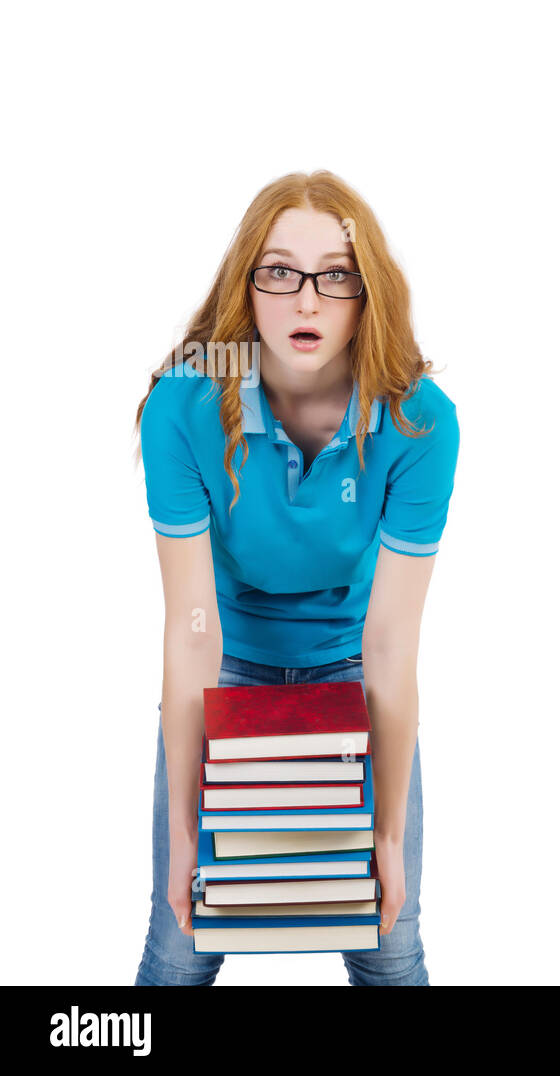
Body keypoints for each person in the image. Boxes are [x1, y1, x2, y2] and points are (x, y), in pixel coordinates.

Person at [131, 171, 459, 985]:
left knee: (390, 941)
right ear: (247, 287)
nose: (306, 301)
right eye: (279, 272)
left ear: (365, 293)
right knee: (179, 940)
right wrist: (182, 828)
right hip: (229, 667)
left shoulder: (422, 420)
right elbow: (190, 628)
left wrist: (385, 833)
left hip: (352, 671)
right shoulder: (184, 406)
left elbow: (389, 641)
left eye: (334, 274)